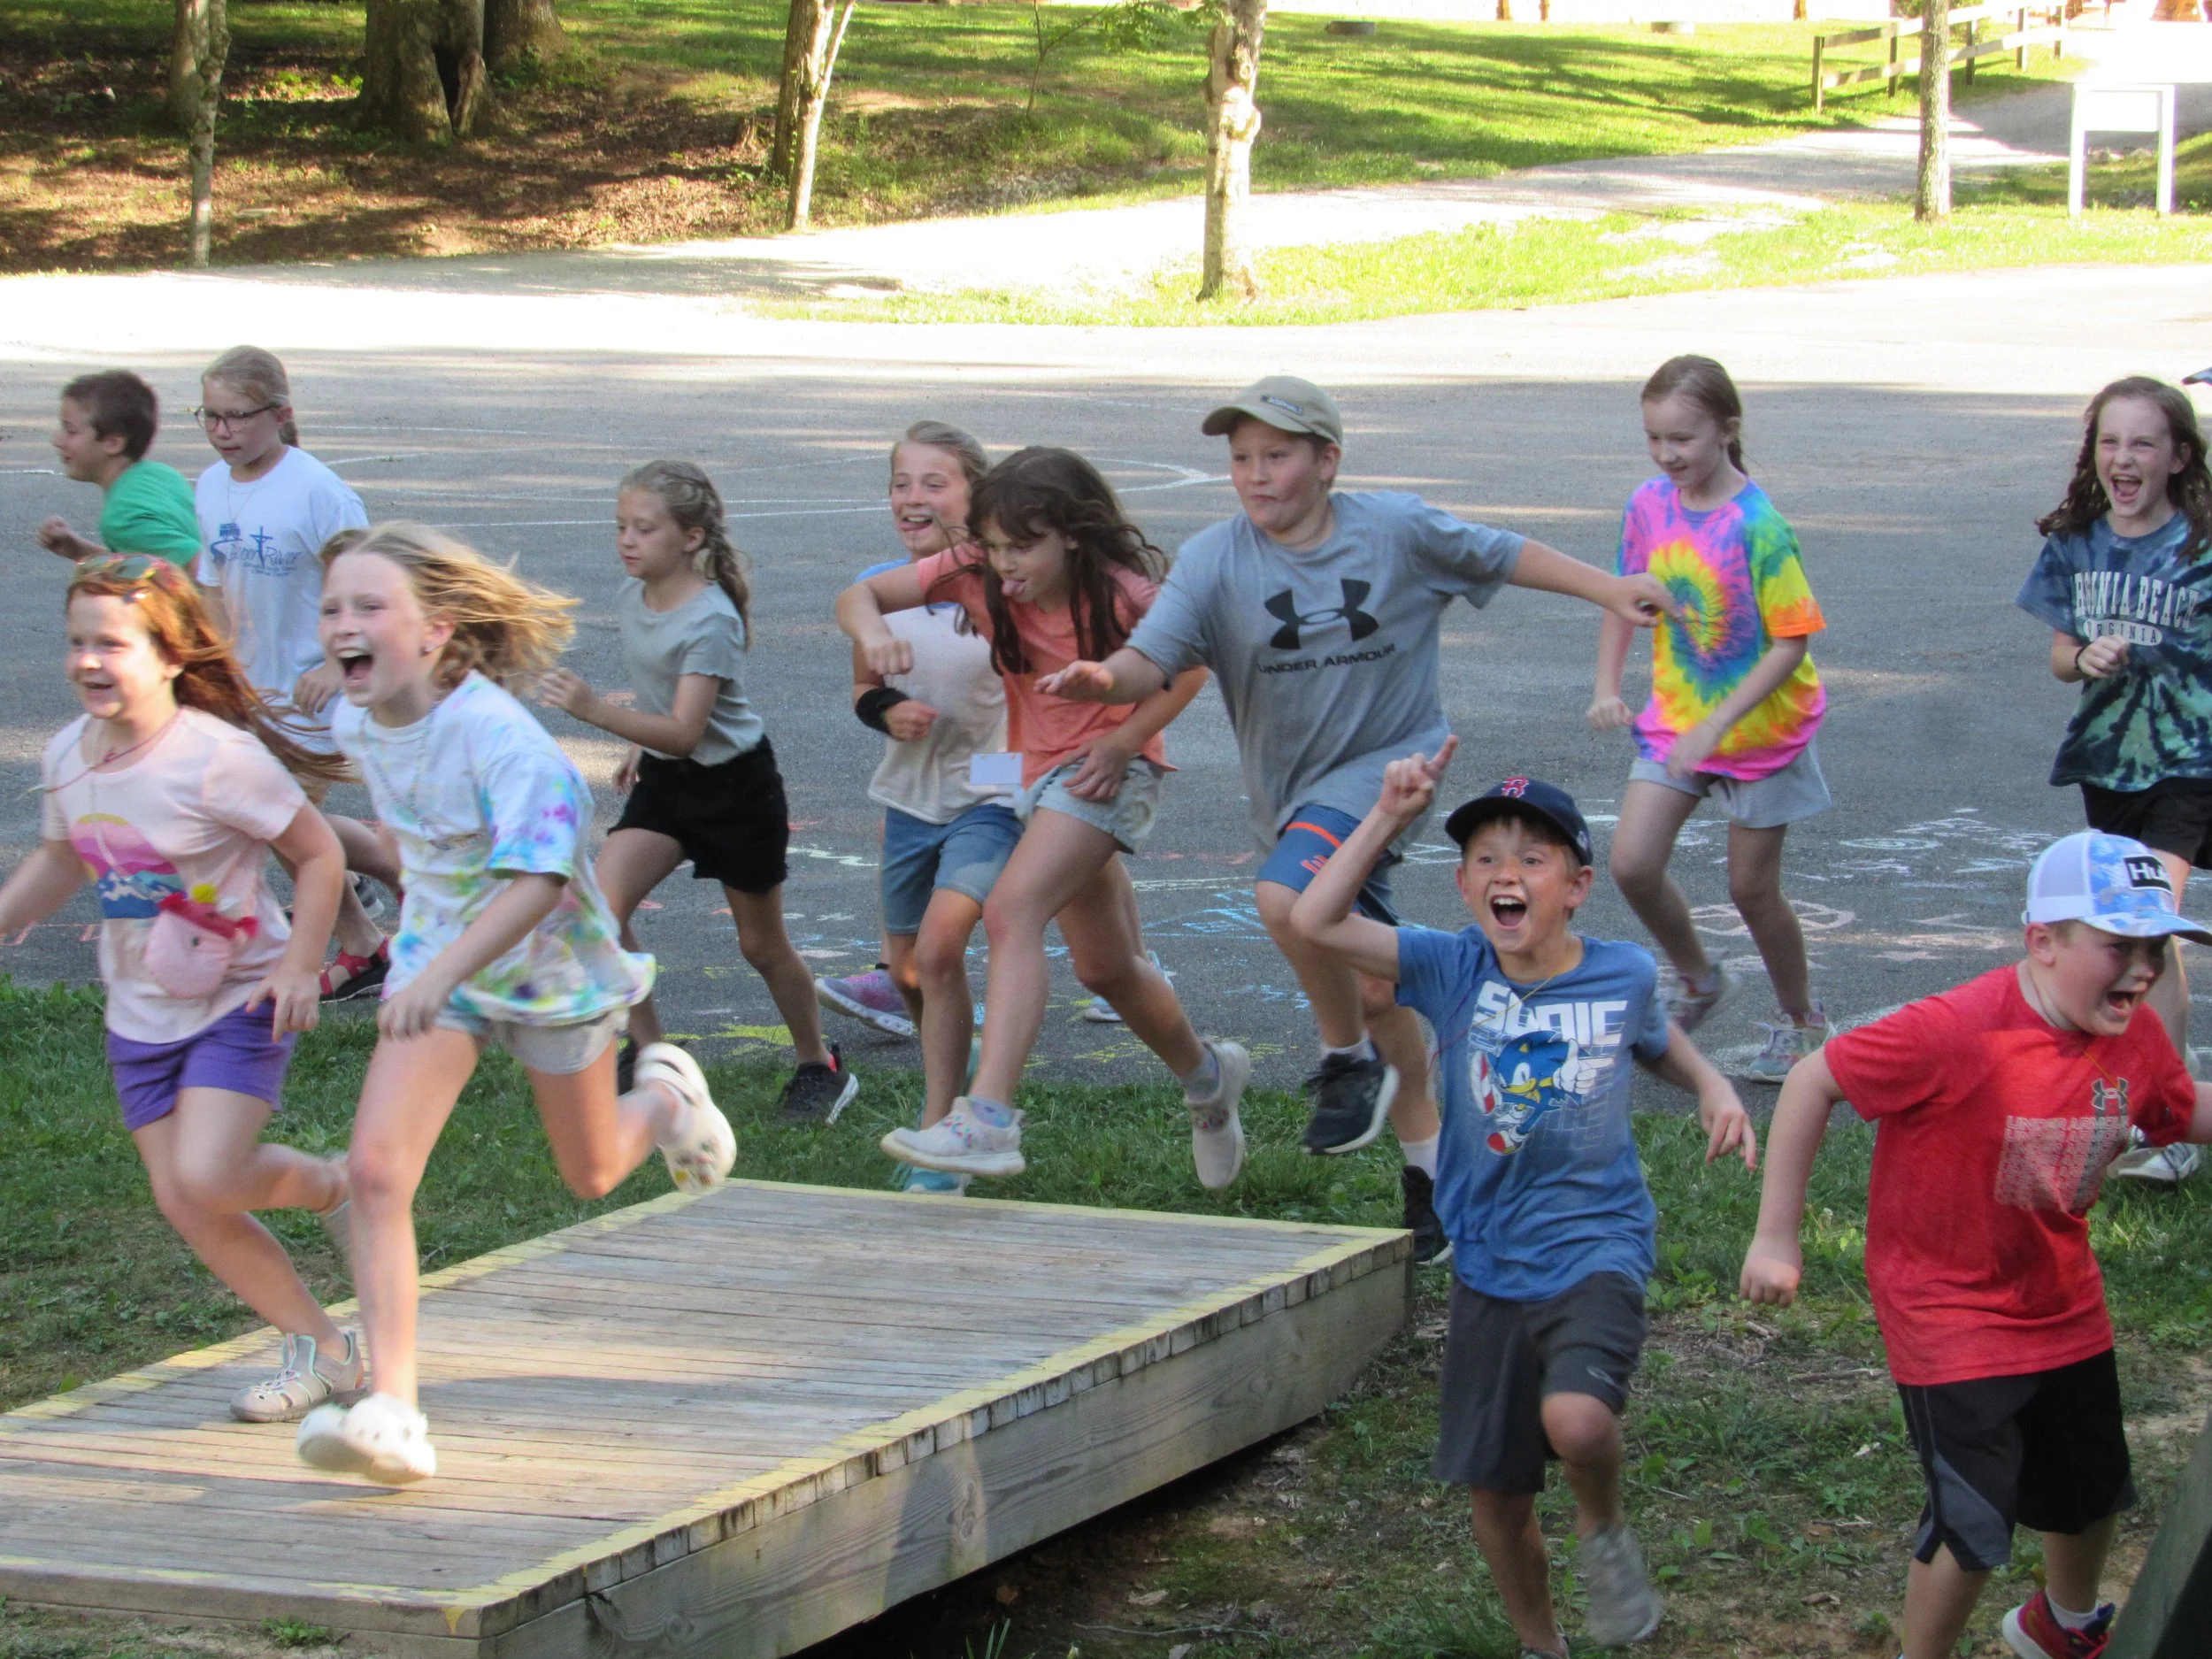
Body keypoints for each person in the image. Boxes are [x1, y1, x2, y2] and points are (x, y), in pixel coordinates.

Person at [1037, 375, 1673, 1263]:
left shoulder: (1396, 530)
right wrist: (1103, 680)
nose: (1255, 476)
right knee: (1379, 988)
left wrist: (1608, 589)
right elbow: (1152, 660)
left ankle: (1344, 1060)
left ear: (1327, 461)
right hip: (1291, 796)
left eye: (1277, 456)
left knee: (1284, 899)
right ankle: (1431, 1176)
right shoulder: (1217, 560)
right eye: (1240, 459)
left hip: (1391, 773)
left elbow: (1500, 554)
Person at [1290, 745, 1754, 1659]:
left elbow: (1654, 1039)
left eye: (1531, 858)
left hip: (1594, 1245)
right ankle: (1541, 1645)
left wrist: (1713, 1085)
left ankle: (1603, 1526)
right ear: (1463, 885)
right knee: (1496, 1499)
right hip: (1489, 1260)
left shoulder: (1618, 973)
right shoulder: (1451, 965)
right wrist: (1386, 816)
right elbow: (1314, 918)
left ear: (1577, 885)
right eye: (1486, 860)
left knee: (1577, 1420)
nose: (1507, 874)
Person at [295, 524, 734, 1486]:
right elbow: (412, 838)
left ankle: (663, 1096)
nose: (342, 626)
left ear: (438, 632)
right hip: (438, 967)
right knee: (375, 1172)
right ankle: (394, 1411)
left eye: (370, 607)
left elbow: (536, 880)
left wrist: (443, 971)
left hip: (547, 970)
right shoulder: (359, 721)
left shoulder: (503, 739)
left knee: (589, 1172)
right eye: (333, 608)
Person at [1741, 830, 2212, 1659]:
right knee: (1976, 1515)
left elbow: (2179, 1107)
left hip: (2063, 1300)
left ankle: (2062, 1625)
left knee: (2092, 1484)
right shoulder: (1955, 1030)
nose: (2143, 967)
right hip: (1947, 1309)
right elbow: (1818, 1079)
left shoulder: (2133, 1038)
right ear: (2043, 941)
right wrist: (1777, 1235)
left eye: (2155, 944)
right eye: (2119, 945)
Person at [0, 556, 362, 1425]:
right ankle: (328, 1350)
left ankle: (335, 1186)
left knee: (207, 1173)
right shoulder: (69, 754)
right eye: (79, 643)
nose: (90, 661)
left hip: (239, 997)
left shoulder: (216, 760)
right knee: (185, 1200)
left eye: (112, 645)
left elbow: (319, 855)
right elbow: (62, 854)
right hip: (140, 1009)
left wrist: (297, 966)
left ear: (168, 658)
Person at [836, 446, 1246, 1187]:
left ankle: (986, 1120)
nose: (1005, 563)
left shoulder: (1124, 594)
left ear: (1073, 535)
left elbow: (1191, 666)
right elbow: (858, 597)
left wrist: (1123, 738)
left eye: (1022, 546)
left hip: (1106, 769)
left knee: (1010, 910)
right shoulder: (978, 572)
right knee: (1107, 967)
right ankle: (1209, 1077)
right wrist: (871, 635)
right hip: (1035, 773)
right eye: (992, 545)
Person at [535, 460, 856, 1122]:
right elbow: (666, 706)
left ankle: (819, 1065)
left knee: (761, 945)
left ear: (690, 536)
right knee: (598, 907)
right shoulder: (635, 597)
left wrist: (598, 712)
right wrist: (634, 743)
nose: (627, 539)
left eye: (644, 528)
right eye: (621, 526)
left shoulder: (709, 617)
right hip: (667, 781)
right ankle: (652, 1053)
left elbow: (686, 729)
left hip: (735, 789)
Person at [1588, 355, 1832, 1084]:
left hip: (1762, 731)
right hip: (1679, 720)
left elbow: (1792, 644)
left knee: (1752, 889)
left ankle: (1802, 1022)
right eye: (1654, 438)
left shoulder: (1760, 526)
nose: (1668, 455)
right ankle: (1698, 977)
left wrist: (1718, 723)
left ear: (1727, 430)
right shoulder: (1649, 505)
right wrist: (1606, 682)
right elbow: (1625, 595)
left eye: (1682, 439)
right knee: (1632, 863)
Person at [2016, 375, 2212, 1186]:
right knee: (2150, 930)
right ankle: (2181, 1070)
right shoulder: (2076, 541)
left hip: (2191, 758)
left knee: (2142, 920)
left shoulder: (2201, 542)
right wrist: (2084, 657)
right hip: (2110, 759)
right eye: (2110, 442)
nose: (2124, 458)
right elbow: (2061, 656)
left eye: (2142, 443)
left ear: (2176, 457)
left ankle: (2168, 1123)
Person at [812, 423, 1018, 1189]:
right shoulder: (883, 589)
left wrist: (1011, 763)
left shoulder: (1006, 584)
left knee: (939, 951)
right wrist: (888, 711)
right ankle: (954, 1053)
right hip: (908, 799)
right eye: (902, 482)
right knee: (907, 971)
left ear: (977, 494)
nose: (913, 497)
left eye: (935, 482)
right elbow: (865, 689)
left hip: (990, 800)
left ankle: (942, 1136)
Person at [188, 346, 396, 1003]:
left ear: (280, 414)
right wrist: (218, 670)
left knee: (276, 818)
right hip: (255, 693)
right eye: (210, 417)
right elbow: (213, 585)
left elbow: (375, 587)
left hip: (317, 691)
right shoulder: (209, 485)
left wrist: (340, 662)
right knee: (274, 821)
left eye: (236, 417)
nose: (222, 431)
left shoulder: (317, 492)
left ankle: (384, 904)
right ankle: (370, 931)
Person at [35, 371, 203, 567]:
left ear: (113, 443)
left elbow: (204, 573)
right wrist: (79, 551)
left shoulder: (123, 517)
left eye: (70, 431)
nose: (57, 440)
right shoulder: (161, 474)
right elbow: (144, 566)